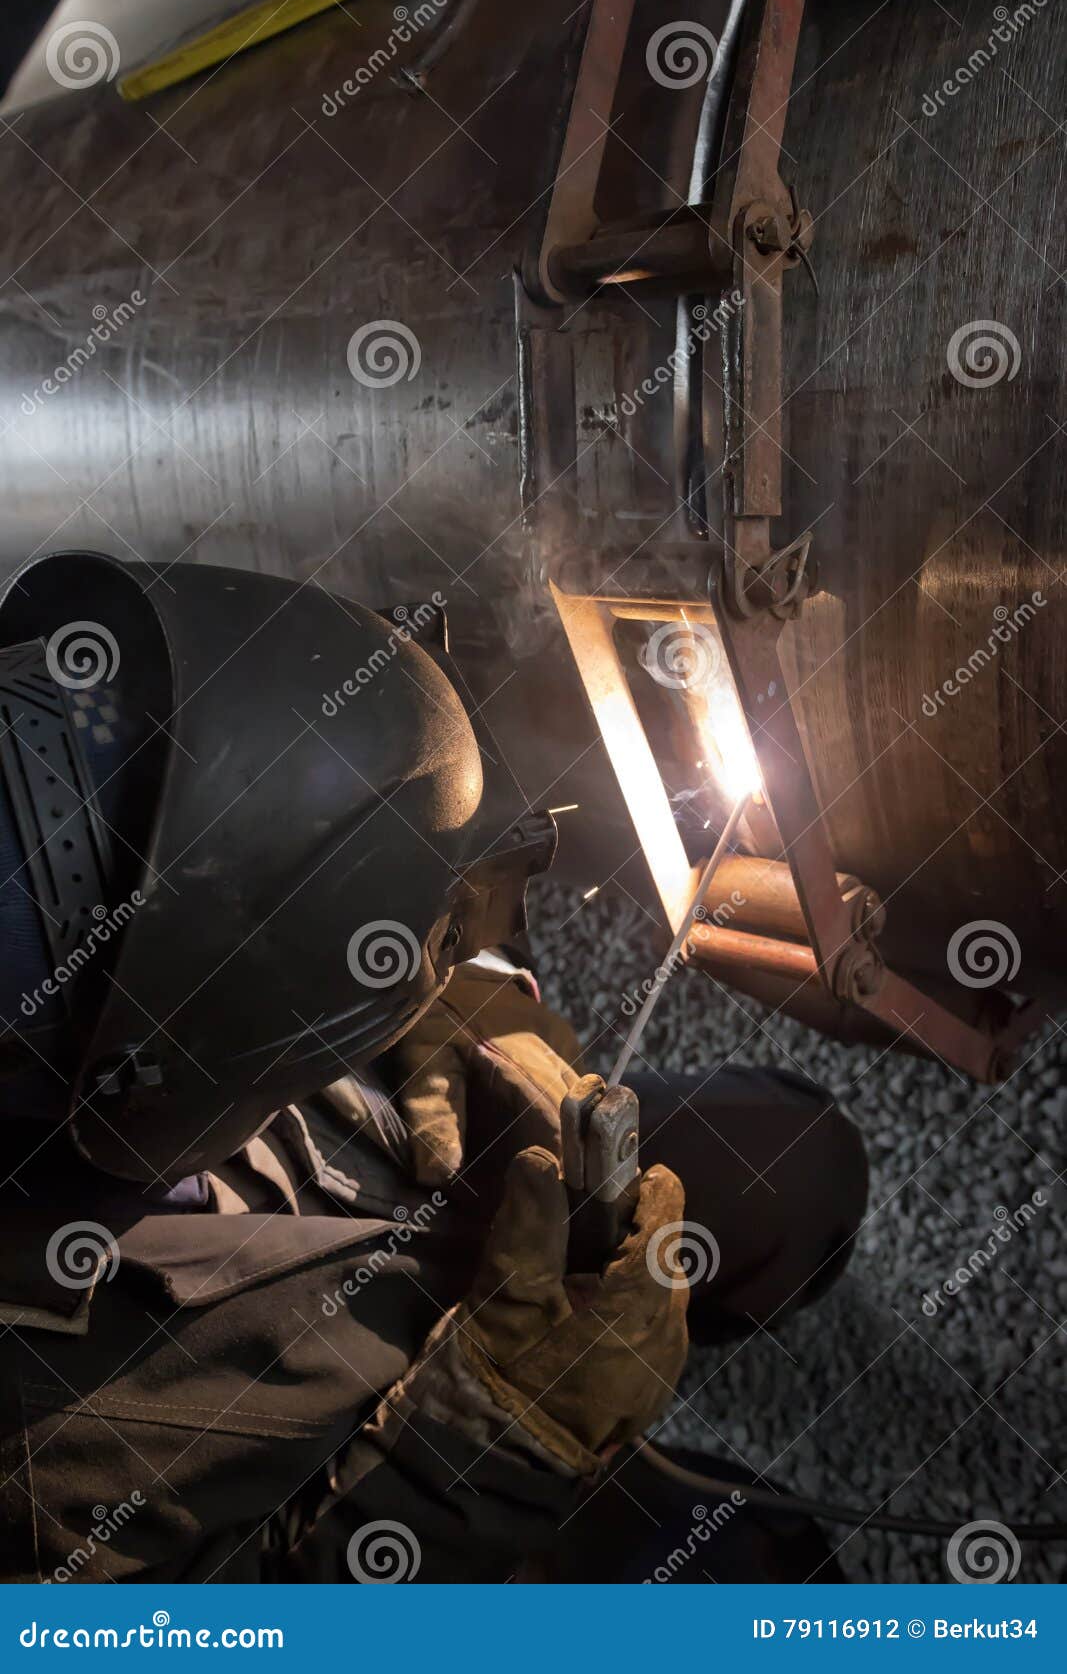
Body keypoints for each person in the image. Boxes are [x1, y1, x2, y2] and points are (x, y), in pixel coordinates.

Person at [0, 552, 867, 1583]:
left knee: (793, 1162)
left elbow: (239, 798)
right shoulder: (46, 1474)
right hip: (372, 1438)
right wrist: (494, 1436)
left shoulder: (69, 842)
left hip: (358, 1162)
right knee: (749, 1572)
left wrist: (443, 984)